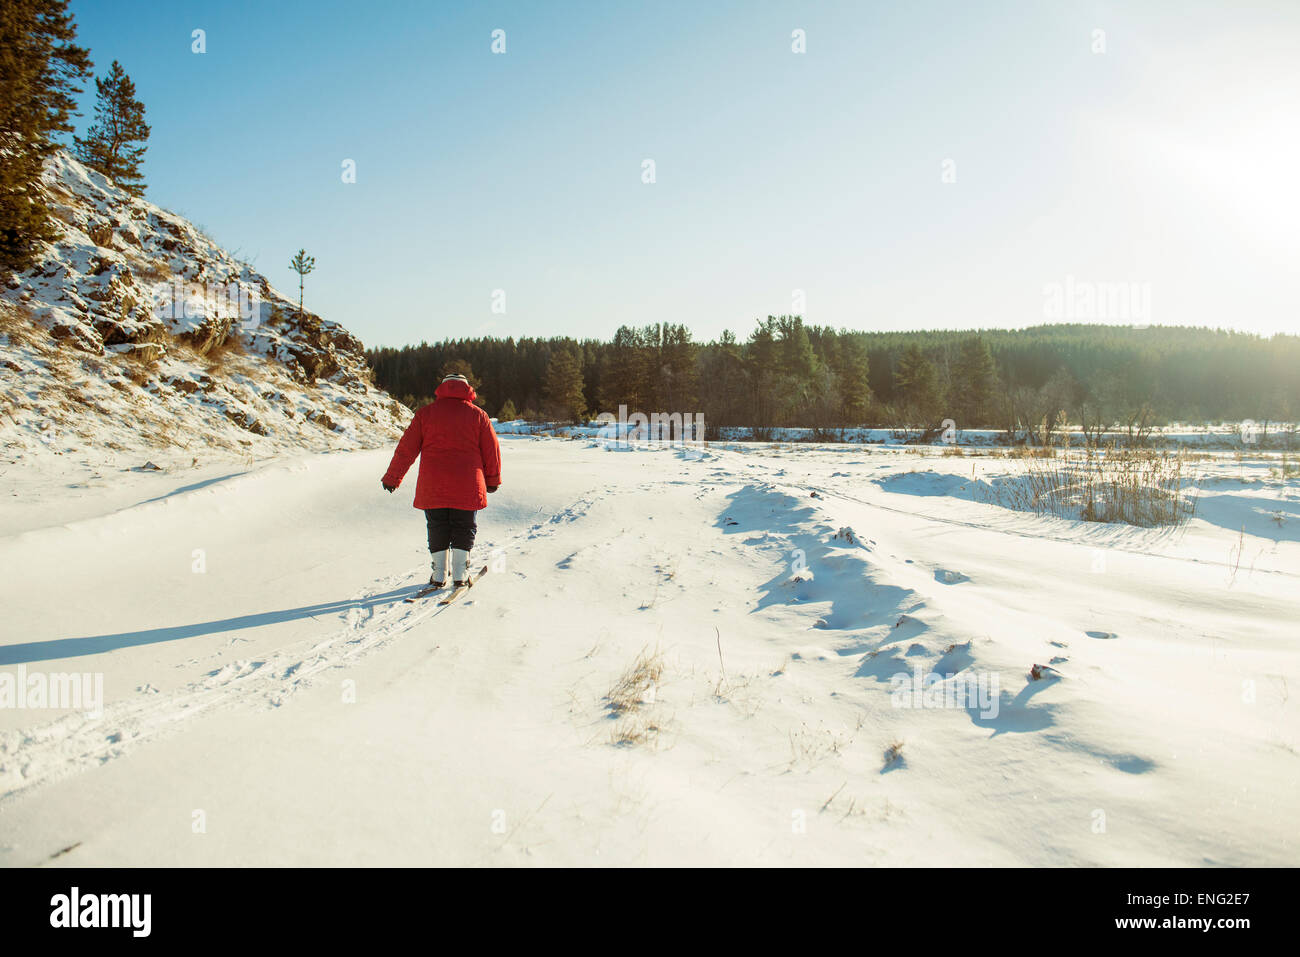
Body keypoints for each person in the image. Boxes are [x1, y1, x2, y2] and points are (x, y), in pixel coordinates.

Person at [381, 373, 502, 588]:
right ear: (468, 389)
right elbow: (491, 451)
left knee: (437, 525)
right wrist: (492, 479)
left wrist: (393, 477)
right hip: (467, 483)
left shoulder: (425, 414)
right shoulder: (479, 415)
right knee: (464, 526)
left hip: (433, 483)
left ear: (442, 388)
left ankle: (438, 574)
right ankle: (460, 574)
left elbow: (406, 449)